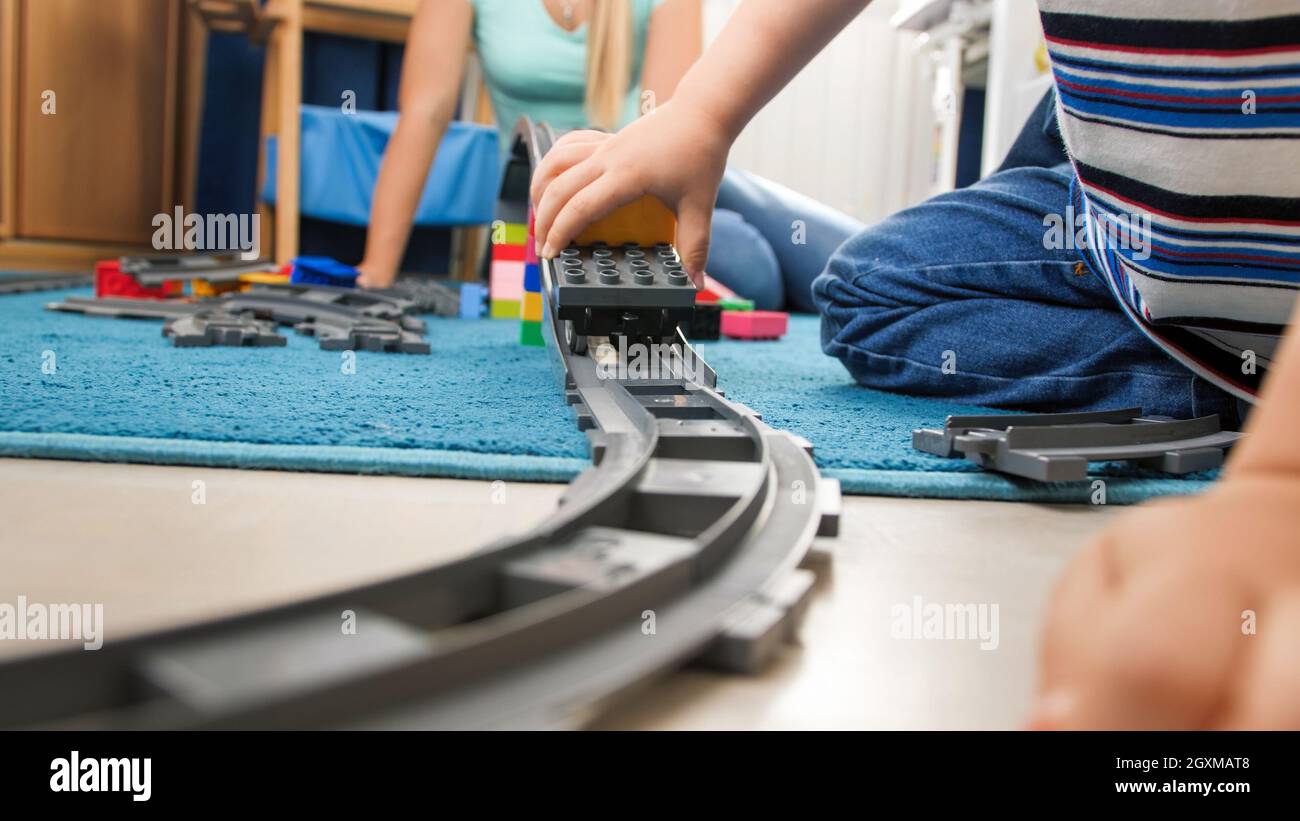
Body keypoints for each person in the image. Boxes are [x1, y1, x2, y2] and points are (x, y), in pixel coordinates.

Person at [530, 0, 1300, 729]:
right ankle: (1204, 357)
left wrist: (1278, 478)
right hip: (1109, 195)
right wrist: (702, 112)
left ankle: (1233, 369)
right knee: (864, 292)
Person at [356, 0, 859, 310]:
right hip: (550, 211)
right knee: (754, 267)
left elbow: (672, 128)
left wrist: (660, 262)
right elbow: (422, 116)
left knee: (856, 263)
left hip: (661, 188)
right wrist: (376, 272)